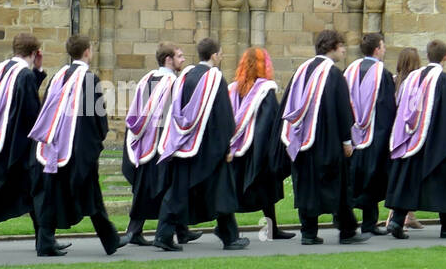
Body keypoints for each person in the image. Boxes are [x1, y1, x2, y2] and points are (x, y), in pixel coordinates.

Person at [29, 34, 127, 257]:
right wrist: (98, 140)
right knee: (91, 194)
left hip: (53, 147)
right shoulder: (89, 79)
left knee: (52, 193)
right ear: (87, 52)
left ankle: (46, 242)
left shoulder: (57, 76)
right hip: (78, 149)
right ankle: (110, 240)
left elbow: (47, 109)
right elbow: (98, 118)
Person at [154, 37, 248, 251]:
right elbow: (224, 116)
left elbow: (175, 108)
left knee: (177, 191)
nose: (222, 57)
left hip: (183, 143)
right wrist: (227, 146)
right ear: (214, 55)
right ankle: (229, 237)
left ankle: (164, 234)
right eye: (221, 53)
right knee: (222, 190)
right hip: (209, 147)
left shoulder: (186, 75)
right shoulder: (215, 78)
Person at [281, 30, 367, 245]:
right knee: (338, 184)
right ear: (332, 47)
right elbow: (342, 110)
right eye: (342, 46)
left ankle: (308, 233)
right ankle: (346, 231)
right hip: (327, 142)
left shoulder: (301, 71)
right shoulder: (333, 73)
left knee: (307, 185)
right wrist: (347, 141)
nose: (345, 50)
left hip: (301, 141)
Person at [0, 32, 48, 252]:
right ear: (34, 53)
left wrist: (37, 71)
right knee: (35, 190)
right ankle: (45, 240)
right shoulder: (23, 75)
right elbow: (31, 111)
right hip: (15, 145)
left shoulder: (0, 69)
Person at [122, 42, 200, 246]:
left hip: (145, 141)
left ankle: (181, 231)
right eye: (179, 56)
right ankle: (135, 231)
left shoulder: (146, 79)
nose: (183, 60)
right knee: (166, 187)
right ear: (168, 59)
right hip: (162, 143)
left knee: (152, 187)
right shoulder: (173, 82)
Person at [385, 39, 446, 239]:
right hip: (435, 142)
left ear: (427, 56)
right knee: (442, 182)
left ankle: (396, 220)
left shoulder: (411, 78)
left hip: (411, 139)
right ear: (445, 57)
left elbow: (402, 106)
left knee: (409, 180)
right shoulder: (444, 79)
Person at [228, 47, 293, 240]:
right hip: (256, 148)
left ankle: (230, 229)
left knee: (233, 188)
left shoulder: (233, 89)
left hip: (235, 148)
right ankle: (271, 229)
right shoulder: (265, 91)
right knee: (265, 190)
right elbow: (270, 123)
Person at [345, 32, 396, 236]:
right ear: (377, 49)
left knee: (353, 177)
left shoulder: (349, 71)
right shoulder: (382, 73)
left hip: (351, 133)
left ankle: (353, 221)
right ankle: (368, 223)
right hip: (375, 134)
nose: (384, 50)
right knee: (372, 177)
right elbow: (386, 108)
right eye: (383, 46)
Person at [394, 48, 425, 231]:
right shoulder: (415, 83)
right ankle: (402, 216)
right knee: (408, 174)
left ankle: (408, 215)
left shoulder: (394, 81)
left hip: (395, 131)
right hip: (409, 133)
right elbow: (416, 110)